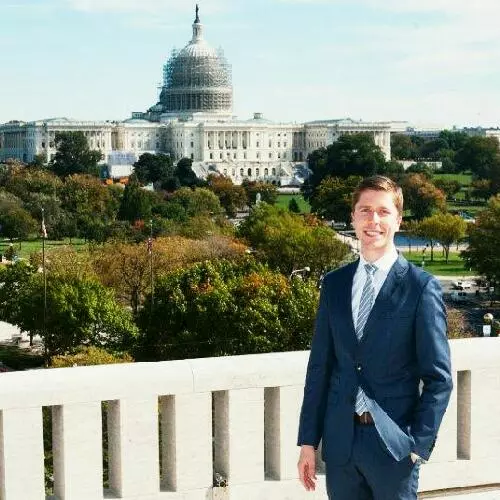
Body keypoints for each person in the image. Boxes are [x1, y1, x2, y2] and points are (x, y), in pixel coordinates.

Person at [297, 176, 452, 499]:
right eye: (365, 210)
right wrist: (308, 442)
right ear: (352, 217)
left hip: (394, 447)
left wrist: (418, 445)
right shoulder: (335, 284)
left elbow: (438, 378)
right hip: (340, 445)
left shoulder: (420, 287)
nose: (373, 220)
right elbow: (320, 368)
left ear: (398, 219)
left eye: (383, 212)